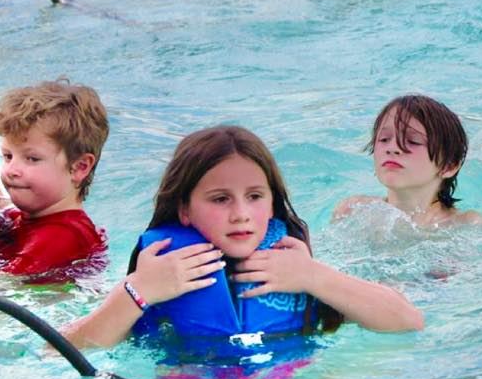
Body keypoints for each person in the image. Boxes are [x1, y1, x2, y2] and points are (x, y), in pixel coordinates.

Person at [63, 126, 422, 357]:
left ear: (272, 203)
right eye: (220, 199)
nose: (241, 214)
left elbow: (407, 321)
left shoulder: (295, 267)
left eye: (254, 196)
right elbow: (60, 350)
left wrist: (314, 276)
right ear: (184, 209)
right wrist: (139, 292)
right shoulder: (157, 271)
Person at [0, 80, 109, 280]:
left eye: (32, 159)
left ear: (79, 167)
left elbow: (5, 285)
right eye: (7, 156)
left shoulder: (64, 236)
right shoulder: (38, 218)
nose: (12, 170)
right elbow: (7, 211)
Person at [334, 95, 482, 227]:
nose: (392, 148)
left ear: (449, 166)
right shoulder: (352, 211)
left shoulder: (467, 224)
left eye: (413, 141)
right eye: (384, 139)